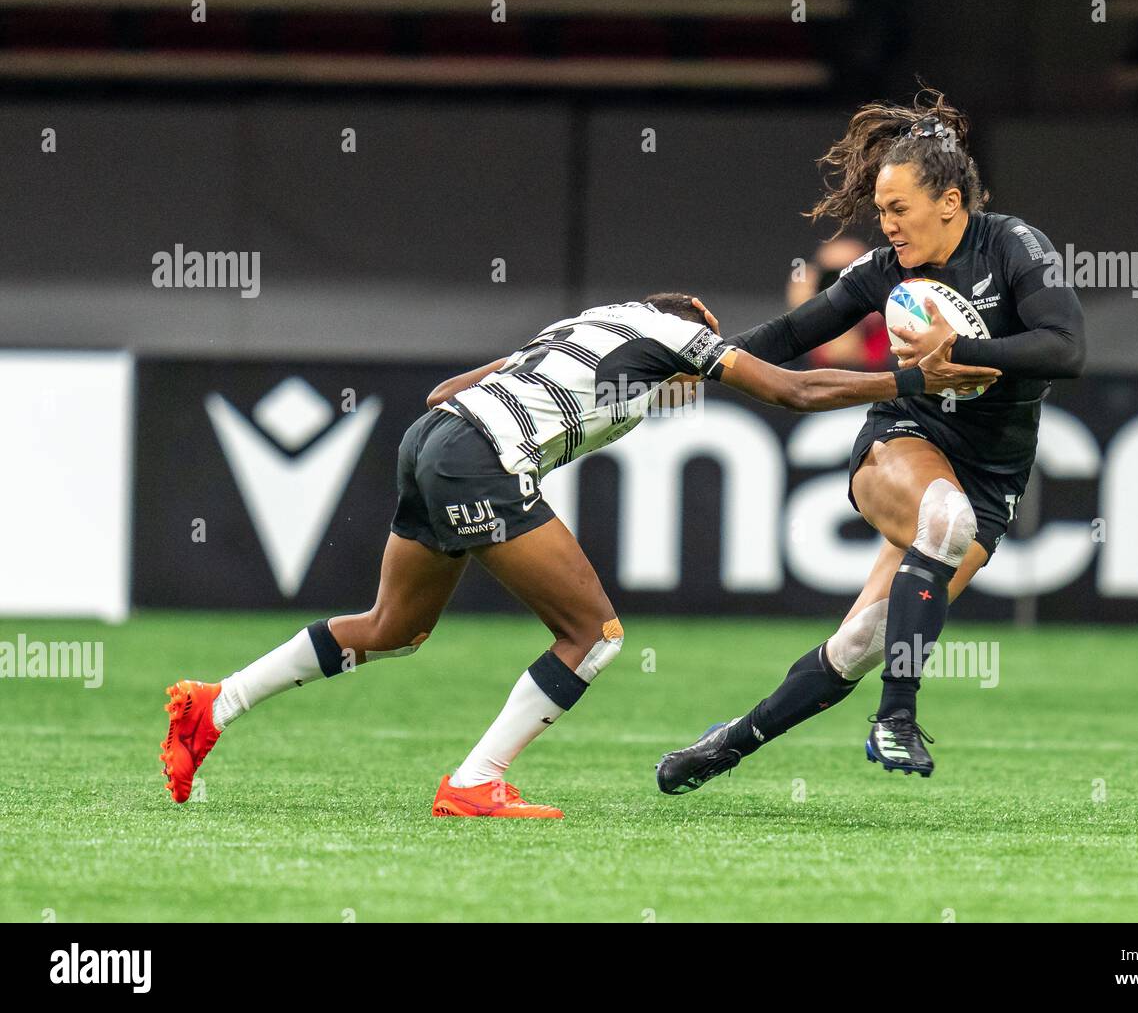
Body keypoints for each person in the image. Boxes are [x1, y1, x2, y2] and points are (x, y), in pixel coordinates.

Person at [159, 293, 997, 818]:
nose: (701, 372)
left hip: (432, 441)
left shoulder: (587, 324)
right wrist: (918, 383)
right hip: (480, 457)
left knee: (395, 627)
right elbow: (796, 390)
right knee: (593, 633)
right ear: (692, 324)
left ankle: (213, 705)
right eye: (705, 353)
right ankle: (476, 780)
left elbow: (445, 391)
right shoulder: (677, 335)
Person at [657, 88, 1085, 794]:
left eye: (898, 210)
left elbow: (1066, 347)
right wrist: (699, 357)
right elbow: (793, 335)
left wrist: (967, 347)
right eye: (880, 211)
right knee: (944, 520)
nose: (885, 225)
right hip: (905, 438)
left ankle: (724, 746)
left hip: (993, 470)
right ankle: (899, 716)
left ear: (949, 201)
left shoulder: (1011, 246)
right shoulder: (886, 270)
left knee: (859, 645)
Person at [787, 236, 893, 371]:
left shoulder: (897, 339)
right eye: (831, 279)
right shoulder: (792, 350)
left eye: (854, 276)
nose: (842, 290)